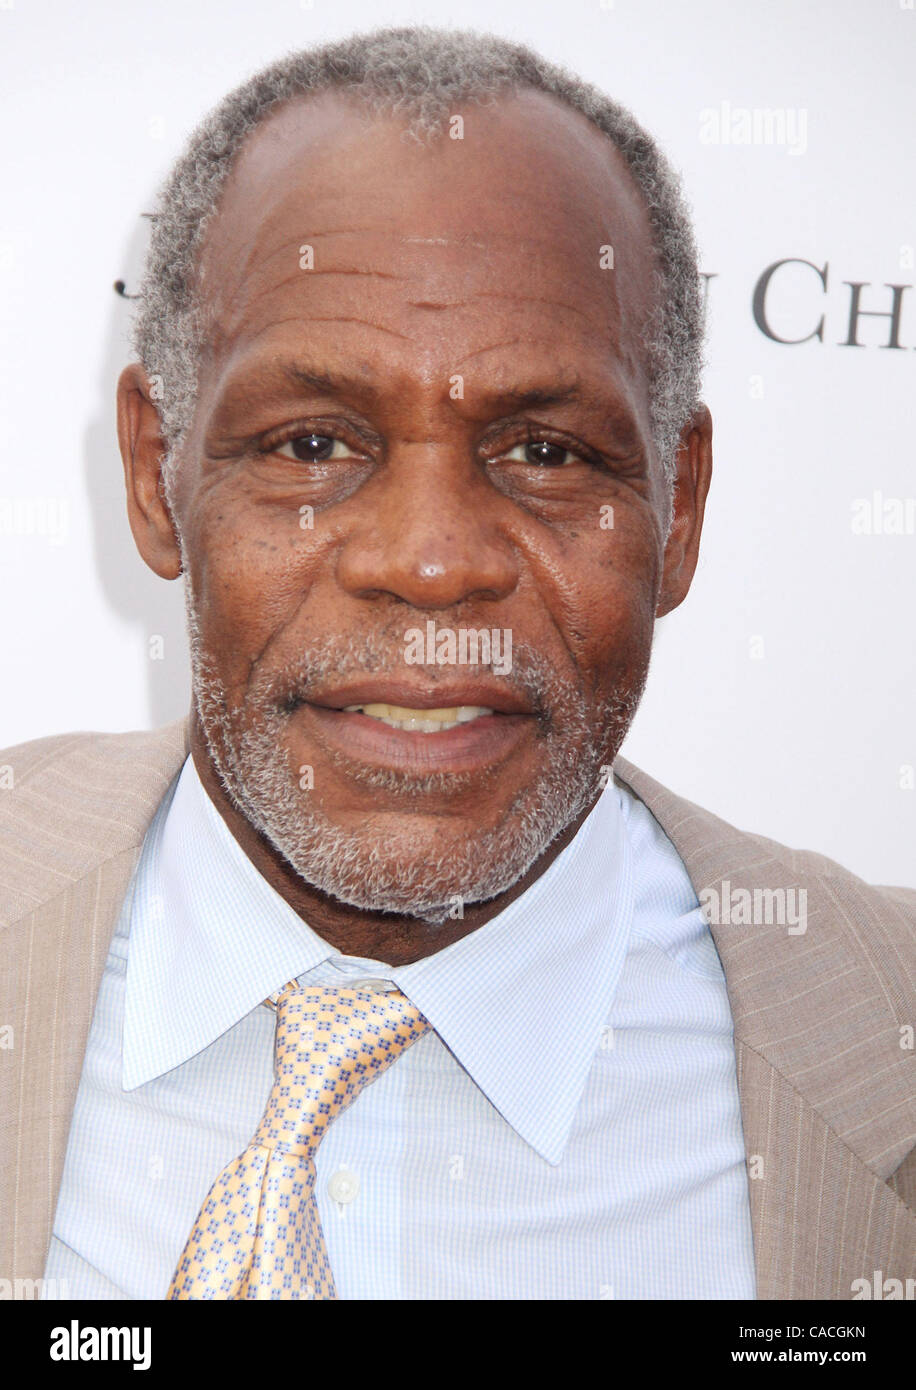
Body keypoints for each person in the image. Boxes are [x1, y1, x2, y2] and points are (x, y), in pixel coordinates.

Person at [1, 26, 913, 1302]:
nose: (429, 564)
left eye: (545, 452)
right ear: (157, 476)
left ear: (680, 509)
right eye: (312, 442)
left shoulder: (889, 1034)